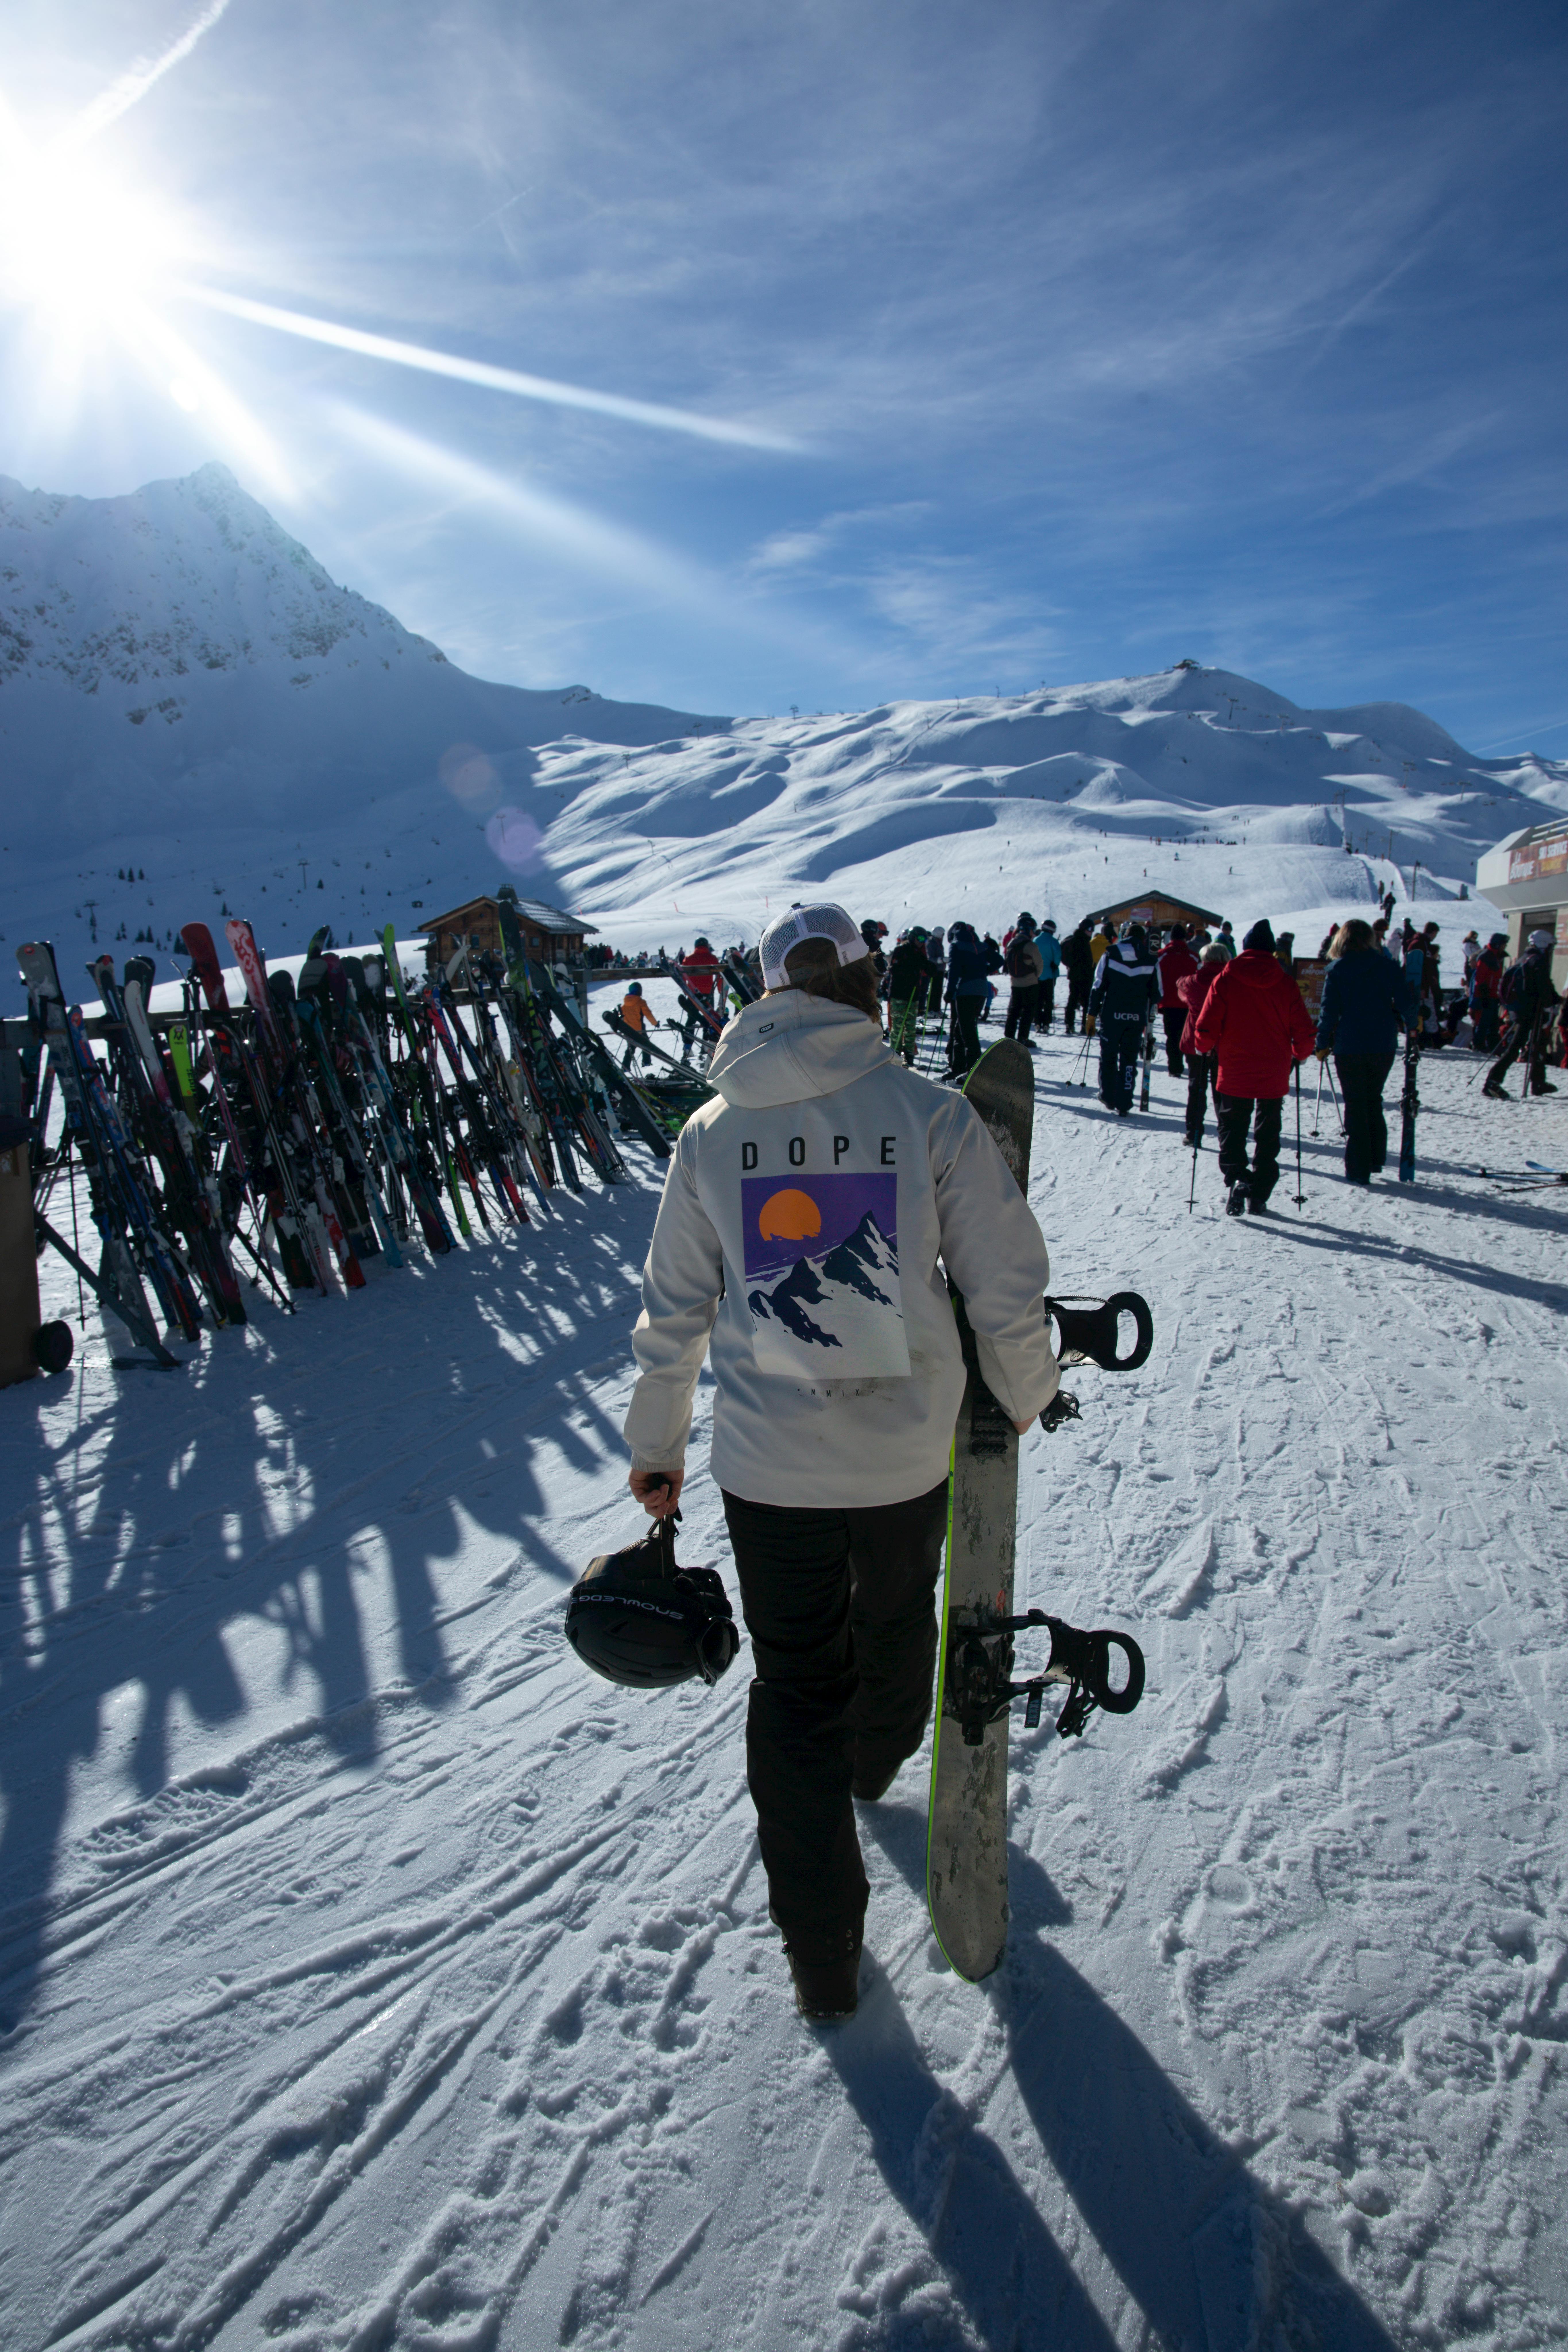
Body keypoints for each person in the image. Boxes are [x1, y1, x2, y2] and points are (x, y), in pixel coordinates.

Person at [621, 901, 1058, 2021]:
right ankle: (874, 1760)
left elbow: (675, 1309)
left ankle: (821, 1952)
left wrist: (657, 1448)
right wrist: (1032, 1390)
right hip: (902, 1450)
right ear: (866, 984)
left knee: (795, 1684)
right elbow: (1002, 1276)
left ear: (770, 993)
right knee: (902, 1614)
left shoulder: (712, 1132)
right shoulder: (927, 1113)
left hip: (769, 1468)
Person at [1192, 919, 1315, 1213]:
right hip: (1274, 1069)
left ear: (1245, 948)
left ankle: (1238, 1176)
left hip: (1234, 1066)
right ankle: (1259, 1191)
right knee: (1268, 1130)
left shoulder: (1226, 978)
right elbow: (1304, 1029)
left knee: (1232, 1126)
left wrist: (1202, 1046)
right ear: (1272, 951)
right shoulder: (1286, 983)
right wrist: (1300, 1053)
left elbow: (1207, 1025)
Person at [1313, 919, 1418, 1184]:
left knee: (1355, 1103)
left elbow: (1329, 1011)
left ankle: (1358, 1166)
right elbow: (1405, 1002)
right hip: (1382, 1043)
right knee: (1373, 1098)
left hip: (1350, 1044)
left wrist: (1322, 1042)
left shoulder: (1337, 970)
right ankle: (1375, 1158)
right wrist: (1413, 1024)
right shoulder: (1387, 966)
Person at [1088, 923, 1156, 1116]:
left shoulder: (1110, 953)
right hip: (1135, 1018)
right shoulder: (1151, 958)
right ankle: (1125, 1102)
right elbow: (1157, 993)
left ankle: (1108, 1097)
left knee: (1109, 1057)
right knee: (1129, 1059)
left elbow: (1098, 986)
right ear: (1143, 938)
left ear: (1124, 936)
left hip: (1112, 1016)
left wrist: (1091, 1014)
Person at [1484, 931, 1561, 1099]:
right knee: (1516, 1048)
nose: (1551, 949)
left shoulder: (1524, 958)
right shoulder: (1539, 961)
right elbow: (1544, 986)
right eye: (1550, 945)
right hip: (1531, 1011)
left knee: (1538, 1043)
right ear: (1544, 945)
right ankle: (1492, 1082)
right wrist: (1555, 1002)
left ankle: (1538, 1082)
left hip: (1519, 1009)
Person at [1178, 944, 1226, 1146]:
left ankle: (1194, 1133)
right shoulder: (1230, 982)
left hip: (1196, 1041)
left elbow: (1180, 987)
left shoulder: (1192, 982)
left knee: (1196, 1087)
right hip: (1222, 1043)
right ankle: (1226, 1135)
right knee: (1222, 1091)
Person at [944, 920, 989, 1078]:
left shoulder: (957, 945)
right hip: (982, 990)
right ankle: (959, 1068)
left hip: (965, 991)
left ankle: (972, 1071)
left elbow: (954, 971)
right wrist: (981, 971)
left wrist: (949, 992)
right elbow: (999, 960)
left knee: (966, 1031)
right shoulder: (981, 945)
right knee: (963, 1028)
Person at [1155, 925, 1198, 1076]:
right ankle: (1193, 1067)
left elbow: (1155, 977)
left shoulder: (1162, 955)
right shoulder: (1193, 956)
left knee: (1172, 1037)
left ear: (1171, 938)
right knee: (1188, 1035)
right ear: (1185, 938)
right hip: (1189, 1004)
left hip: (1168, 1003)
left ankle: (1175, 1068)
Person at [886, 929, 927, 1063]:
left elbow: (927, 968)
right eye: (920, 939)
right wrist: (909, 971)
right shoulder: (901, 950)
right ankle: (895, 1055)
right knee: (898, 1026)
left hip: (913, 996)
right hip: (899, 995)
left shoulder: (920, 954)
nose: (923, 942)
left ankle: (909, 1055)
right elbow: (894, 969)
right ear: (913, 938)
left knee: (911, 1028)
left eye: (925, 940)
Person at [1001, 915, 1044, 1045]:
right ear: (1029, 929)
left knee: (1014, 1010)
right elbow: (1039, 965)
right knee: (1028, 1011)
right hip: (1030, 982)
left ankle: (1008, 1037)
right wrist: (1035, 977)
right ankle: (1023, 1038)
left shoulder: (1011, 944)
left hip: (1015, 983)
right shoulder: (1031, 946)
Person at [1469, 933, 1507, 1053]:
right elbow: (1480, 978)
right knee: (1485, 1022)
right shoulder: (1487, 957)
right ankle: (1479, 1044)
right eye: (1504, 945)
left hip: (1493, 995)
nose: (1505, 947)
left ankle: (1493, 1045)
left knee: (1493, 1023)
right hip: (1487, 995)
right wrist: (1484, 994)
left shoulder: (1495, 956)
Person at [1062, 920, 1094, 1035]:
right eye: (1091, 930)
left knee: (1073, 1001)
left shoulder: (1073, 940)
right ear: (1085, 929)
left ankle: (1069, 1025)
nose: (1092, 932)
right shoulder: (1084, 942)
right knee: (1086, 1003)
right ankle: (1085, 1027)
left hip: (1074, 976)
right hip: (1086, 976)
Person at [618, 981, 659, 1068]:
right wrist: (655, 1024)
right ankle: (646, 1063)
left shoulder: (625, 1005)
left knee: (630, 1049)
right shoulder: (641, 1002)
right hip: (640, 1031)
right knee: (647, 1046)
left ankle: (625, 1067)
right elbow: (648, 1014)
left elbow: (622, 1017)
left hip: (629, 1031)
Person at [1035, 919, 1062, 1032]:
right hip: (1050, 974)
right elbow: (1058, 955)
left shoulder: (1036, 940)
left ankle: (1037, 1022)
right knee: (1049, 999)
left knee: (1038, 999)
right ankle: (1046, 1023)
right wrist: (1055, 964)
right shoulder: (1053, 941)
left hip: (1037, 974)